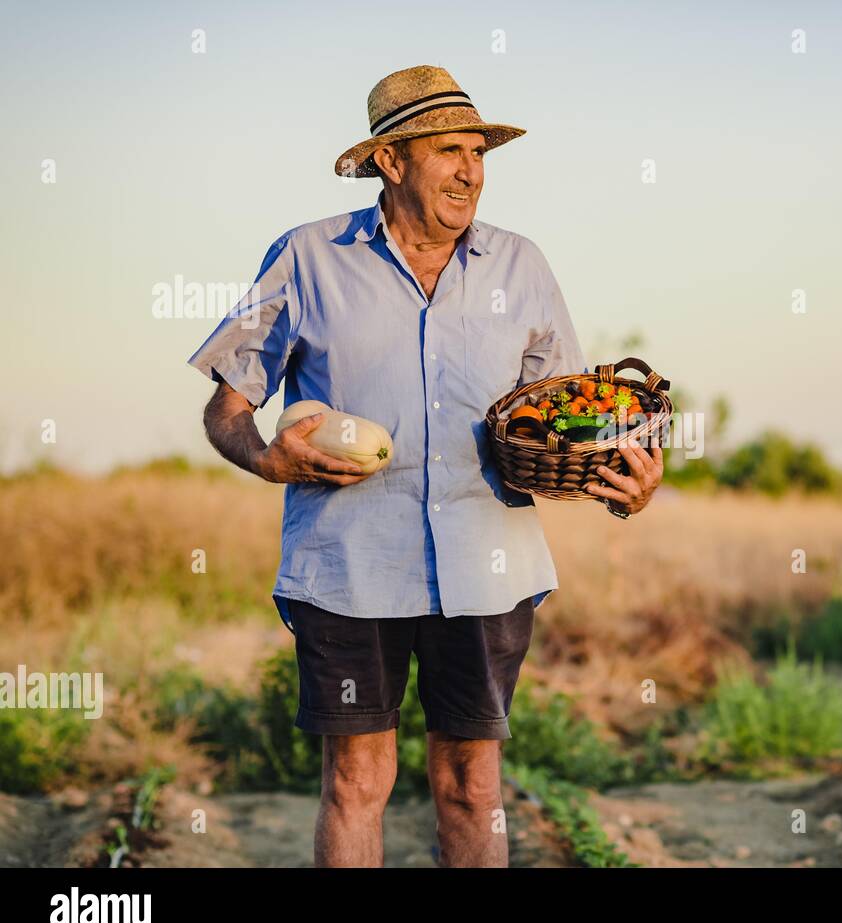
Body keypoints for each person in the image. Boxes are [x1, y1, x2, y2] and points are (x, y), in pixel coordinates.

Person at [187, 65, 663, 867]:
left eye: (479, 151)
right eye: (449, 150)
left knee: (474, 783)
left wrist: (629, 485)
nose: (471, 169)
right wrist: (269, 459)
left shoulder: (524, 266)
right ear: (390, 160)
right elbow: (226, 409)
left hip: (489, 564)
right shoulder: (306, 258)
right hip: (348, 564)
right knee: (356, 781)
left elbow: (579, 424)